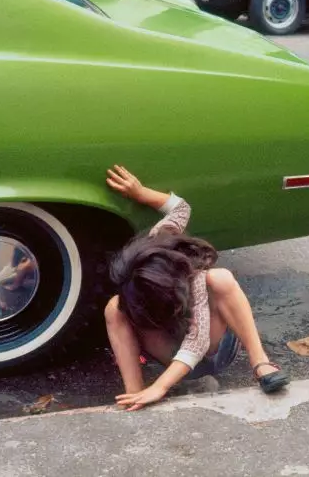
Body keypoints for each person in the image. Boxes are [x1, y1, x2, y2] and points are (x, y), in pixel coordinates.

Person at [103, 165, 290, 411]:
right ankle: (134, 391)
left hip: (208, 353)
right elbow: (180, 208)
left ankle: (261, 362)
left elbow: (197, 342)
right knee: (114, 307)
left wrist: (160, 387)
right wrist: (140, 193)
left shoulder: (195, 279)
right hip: (166, 351)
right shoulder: (160, 239)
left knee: (221, 278)